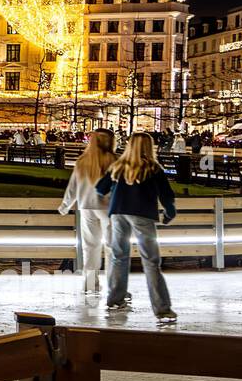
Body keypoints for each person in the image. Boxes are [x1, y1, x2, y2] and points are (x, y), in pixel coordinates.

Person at [95, 131, 178, 324]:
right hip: (142, 214)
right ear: (149, 147)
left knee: (118, 256)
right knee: (150, 261)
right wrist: (169, 211)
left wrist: (116, 192)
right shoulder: (153, 168)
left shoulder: (118, 167)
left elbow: (100, 188)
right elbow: (166, 194)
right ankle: (162, 309)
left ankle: (115, 299)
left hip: (118, 213)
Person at [58, 128, 116, 294]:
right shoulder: (114, 161)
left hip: (86, 206)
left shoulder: (83, 161)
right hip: (108, 207)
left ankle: (90, 283)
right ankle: (115, 285)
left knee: (90, 247)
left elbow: (73, 187)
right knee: (113, 247)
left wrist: (65, 206)